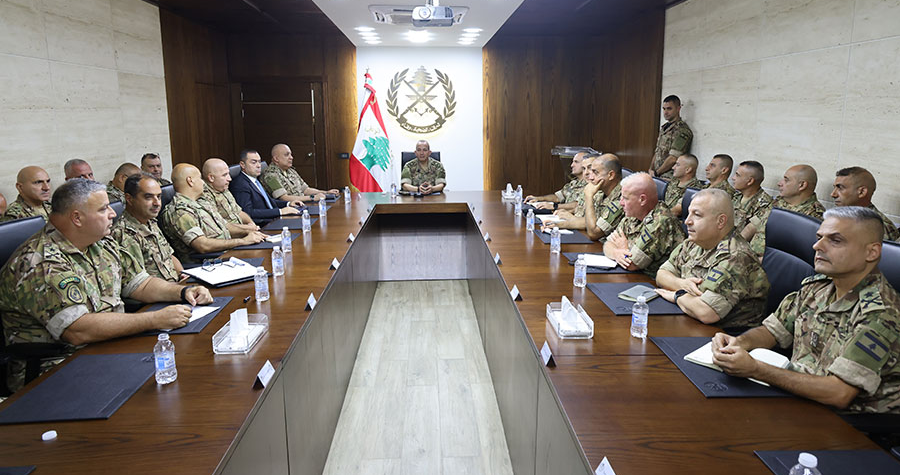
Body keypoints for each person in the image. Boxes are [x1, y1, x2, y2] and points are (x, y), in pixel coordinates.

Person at [0, 178, 212, 391]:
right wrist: (155, 319)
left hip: (111, 346)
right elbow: (78, 331)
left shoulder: (101, 243)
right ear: (77, 218)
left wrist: (184, 291)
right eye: (103, 209)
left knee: (193, 364)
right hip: (57, 366)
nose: (113, 213)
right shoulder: (41, 262)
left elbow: (140, 284)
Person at [712, 207, 899, 414]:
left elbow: (839, 393)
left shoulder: (880, 313)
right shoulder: (818, 286)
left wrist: (756, 369)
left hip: (848, 424)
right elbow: (773, 330)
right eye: (819, 238)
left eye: (835, 240)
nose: (817, 246)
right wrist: (738, 343)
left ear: (871, 252)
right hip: (796, 396)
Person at [655, 188, 769, 330]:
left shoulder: (735, 256)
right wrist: (682, 284)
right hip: (689, 321)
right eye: (688, 213)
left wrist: (677, 295)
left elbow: (707, 312)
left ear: (720, 221)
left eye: (697, 215)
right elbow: (661, 274)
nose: (687, 221)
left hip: (725, 337)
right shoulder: (693, 243)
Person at [160, 164, 267, 262]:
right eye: (200, 178)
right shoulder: (179, 211)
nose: (203, 182)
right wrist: (242, 241)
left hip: (228, 253)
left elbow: (224, 227)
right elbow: (203, 245)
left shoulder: (201, 202)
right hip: (210, 264)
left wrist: (249, 231)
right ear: (190, 181)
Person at [602, 172, 684, 277]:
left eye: (626, 198)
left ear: (642, 200)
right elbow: (607, 244)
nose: (621, 203)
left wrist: (623, 247)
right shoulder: (633, 214)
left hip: (651, 282)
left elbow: (631, 264)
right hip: (634, 277)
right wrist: (617, 253)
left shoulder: (660, 221)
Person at [111, 174, 183, 282]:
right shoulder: (123, 233)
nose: (157, 203)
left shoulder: (151, 221)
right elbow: (139, 284)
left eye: (158, 197)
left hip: (177, 287)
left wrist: (185, 277)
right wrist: (180, 290)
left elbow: (169, 256)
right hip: (159, 295)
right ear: (129, 199)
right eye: (148, 197)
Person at [750, 164, 826, 254]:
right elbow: (753, 225)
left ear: (802, 185)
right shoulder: (779, 201)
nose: (779, 183)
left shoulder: (814, 217)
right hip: (750, 258)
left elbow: (795, 257)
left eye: (786, 180)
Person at [230, 149, 304, 221]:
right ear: (242, 165)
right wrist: (280, 212)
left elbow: (268, 202)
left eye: (259, 162)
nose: (258, 165)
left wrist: (288, 204)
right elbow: (248, 212)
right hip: (263, 225)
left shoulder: (255, 180)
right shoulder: (240, 184)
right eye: (254, 162)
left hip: (274, 219)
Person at [831, 167, 899, 242]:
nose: (833, 194)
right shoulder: (845, 217)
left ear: (862, 192)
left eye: (840, 188)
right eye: (834, 188)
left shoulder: (876, 227)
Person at [198, 158, 261, 234]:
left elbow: (239, 212)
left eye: (228, 174)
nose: (230, 179)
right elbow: (220, 225)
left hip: (244, 232)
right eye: (224, 175)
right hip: (230, 238)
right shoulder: (204, 195)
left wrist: (251, 223)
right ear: (211, 178)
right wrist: (247, 229)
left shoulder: (224, 188)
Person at [261, 143, 338, 203]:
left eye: (290, 154)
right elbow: (284, 198)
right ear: (276, 158)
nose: (291, 157)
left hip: (303, 203)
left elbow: (305, 190)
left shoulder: (290, 170)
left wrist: (326, 192)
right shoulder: (270, 175)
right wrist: (312, 198)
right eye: (286, 155)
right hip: (291, 209)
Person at [731, 161, 773, 257]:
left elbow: (745, 235)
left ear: (750, 181)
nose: (733, 178)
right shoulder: (736, 196)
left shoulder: (765, 204)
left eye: (737, 175)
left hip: (738, 252)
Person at [648, 95, 693, 181]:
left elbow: (673, 158)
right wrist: (651, 169)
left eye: (669, 109)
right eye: (664, 109)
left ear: (678, 109)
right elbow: (657, 151)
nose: (665, 112)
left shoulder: (682, 131)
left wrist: (657, 173)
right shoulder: (664, 128)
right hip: (657, 175)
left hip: (670, 178)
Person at [580, 154, 625, 240]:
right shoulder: (601, 193)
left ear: (611, 175)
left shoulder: (622, 199)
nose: (591, 177)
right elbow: (587, 221)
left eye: (595, 172)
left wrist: (588, 196)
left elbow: (593, 233)